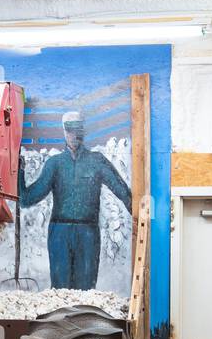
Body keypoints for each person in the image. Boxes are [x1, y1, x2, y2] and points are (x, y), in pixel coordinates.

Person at [19, 110, 132, 289]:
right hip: (59, 234)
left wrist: (141, 216)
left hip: (88, 233)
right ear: (64, 131)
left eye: (78, 130)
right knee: (60, 292)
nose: (74, 135)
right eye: (70, 130)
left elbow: (124, 193)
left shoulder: (97, 161)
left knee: (86, 292)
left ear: (84, 131)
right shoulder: (54, 164)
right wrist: (20, 172)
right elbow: (27, 199)